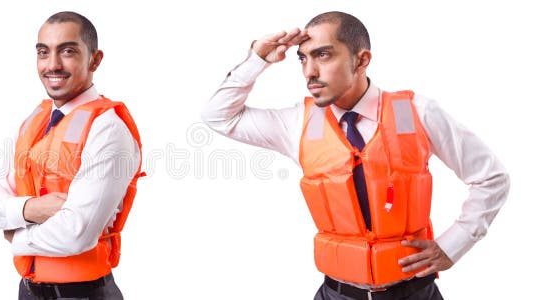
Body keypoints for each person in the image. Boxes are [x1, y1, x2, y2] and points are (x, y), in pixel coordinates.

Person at [201, 11, 509, 300]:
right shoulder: (297, 124)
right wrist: (258, 59)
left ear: (361, 61)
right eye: (303, 59)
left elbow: (491, 178)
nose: (310, 71)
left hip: (414, 292)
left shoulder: (414, 112)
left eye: (323, 54)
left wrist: (453, 246)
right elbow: (218, 116)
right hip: (336, 294)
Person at [0, 11, 143, 300]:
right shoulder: (36, 120)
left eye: (67, 51)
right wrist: (30, 208)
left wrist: (14, 234)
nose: (52, 64)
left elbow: (76, 233)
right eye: (44, 52)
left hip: (82, 294)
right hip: (29, 290)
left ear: (95, 59)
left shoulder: (108, 128)